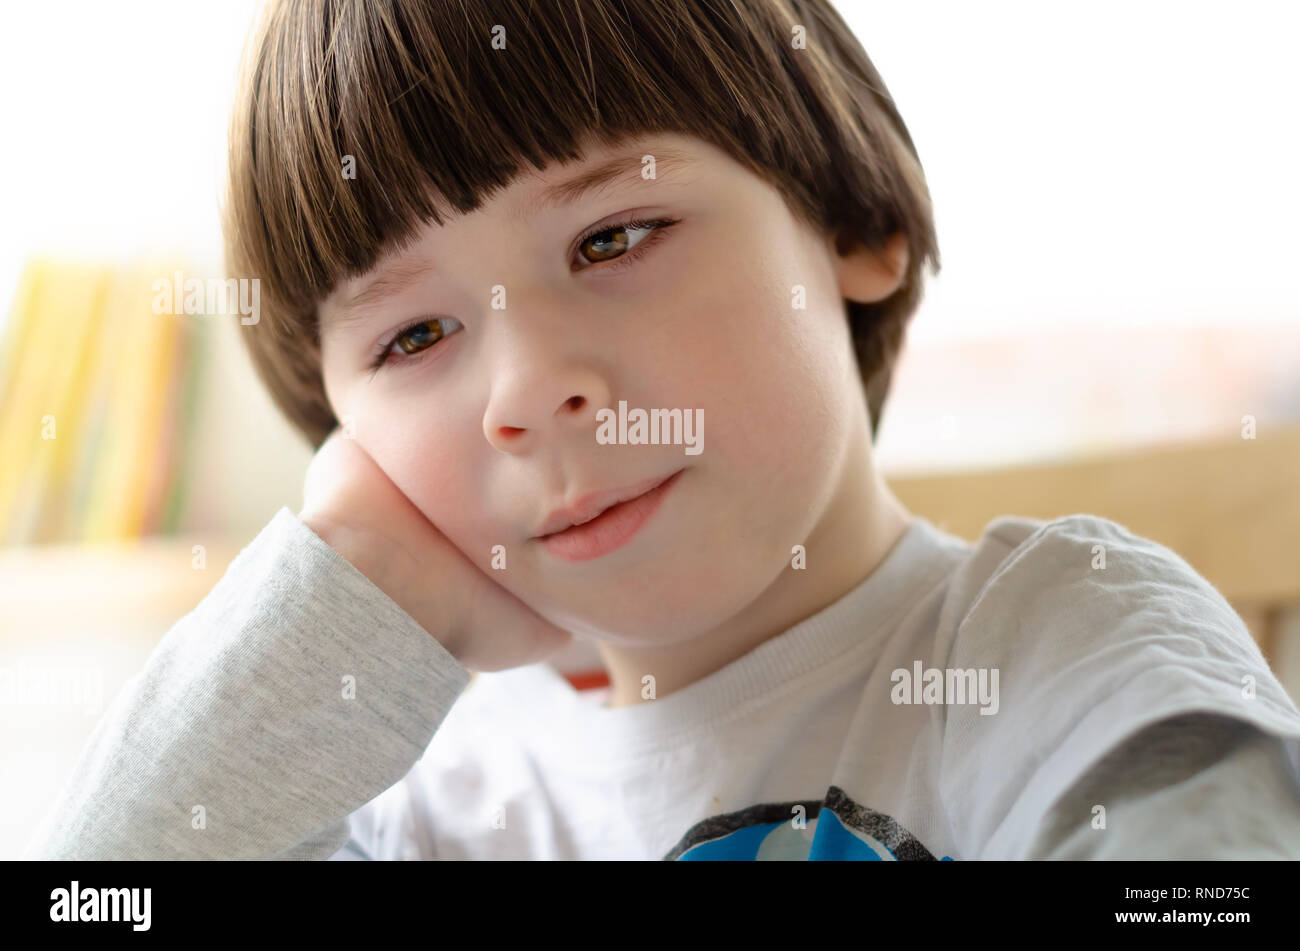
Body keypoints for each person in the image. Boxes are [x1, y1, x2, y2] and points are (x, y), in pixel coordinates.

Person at [26, 0, 1300, 860]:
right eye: (411, 338)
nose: (523, 392)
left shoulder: (1068, 659)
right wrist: (344, 602)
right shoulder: (431, 804)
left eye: (614, 237)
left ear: (851, 223)